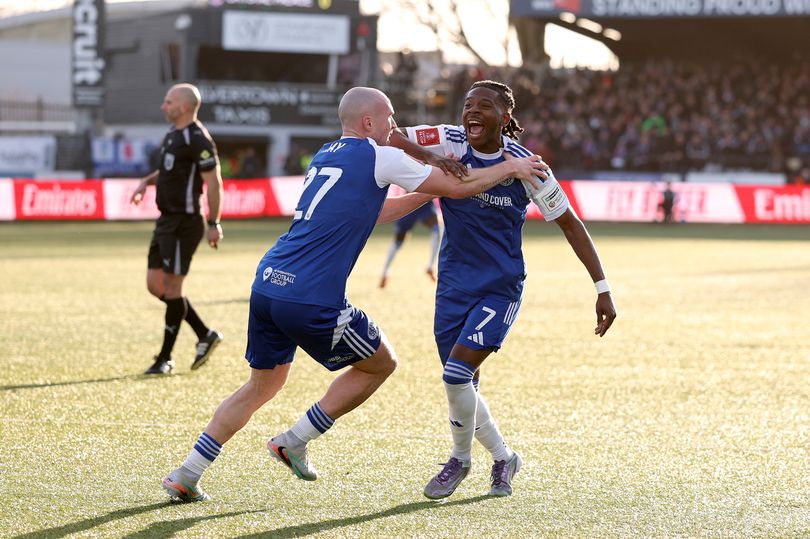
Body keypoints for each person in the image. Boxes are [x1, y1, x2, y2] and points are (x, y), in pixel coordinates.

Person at [159, 86, 550, 502]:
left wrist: (430, 189)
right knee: (380, 364)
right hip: (310, 295)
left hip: (268, 282)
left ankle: (187, 473)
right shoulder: (380, 155)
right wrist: (511, 168)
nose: (394, 127)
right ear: (368, 123)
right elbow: (462, 186)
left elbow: (376, 212)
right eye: (389, 119)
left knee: (261, 386)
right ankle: (295, 439)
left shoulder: (327, 154)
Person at [389, 80, 617, 499]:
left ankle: (458, 461)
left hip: (499, 288)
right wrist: (430, 156)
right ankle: (505, 457)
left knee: (456, 375)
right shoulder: (449, 139)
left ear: (506, 117)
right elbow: (390, 134)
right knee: (462, 386)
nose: (472, 112)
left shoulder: (528, 166)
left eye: (485, 106)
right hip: (453, 286)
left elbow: (570, 224)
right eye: (468, 105)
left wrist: (602, 287)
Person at [130, 83, 225, 375]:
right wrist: (148, 181)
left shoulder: (198, 138)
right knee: (155, 285)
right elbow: (173, 170)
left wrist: (214, 223)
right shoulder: (173, 135)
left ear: (183, 106)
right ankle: (205, 334)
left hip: (185, 223)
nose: (163, 106)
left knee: (172, 287)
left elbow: (214, 183)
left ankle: (165, 359)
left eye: (168, 101)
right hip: (165, 221)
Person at [379, 193, 441, 288]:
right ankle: (384, 273)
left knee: (436, 230)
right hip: (410, 200)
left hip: (425, 200)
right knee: (398, 240)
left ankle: (430, 265)